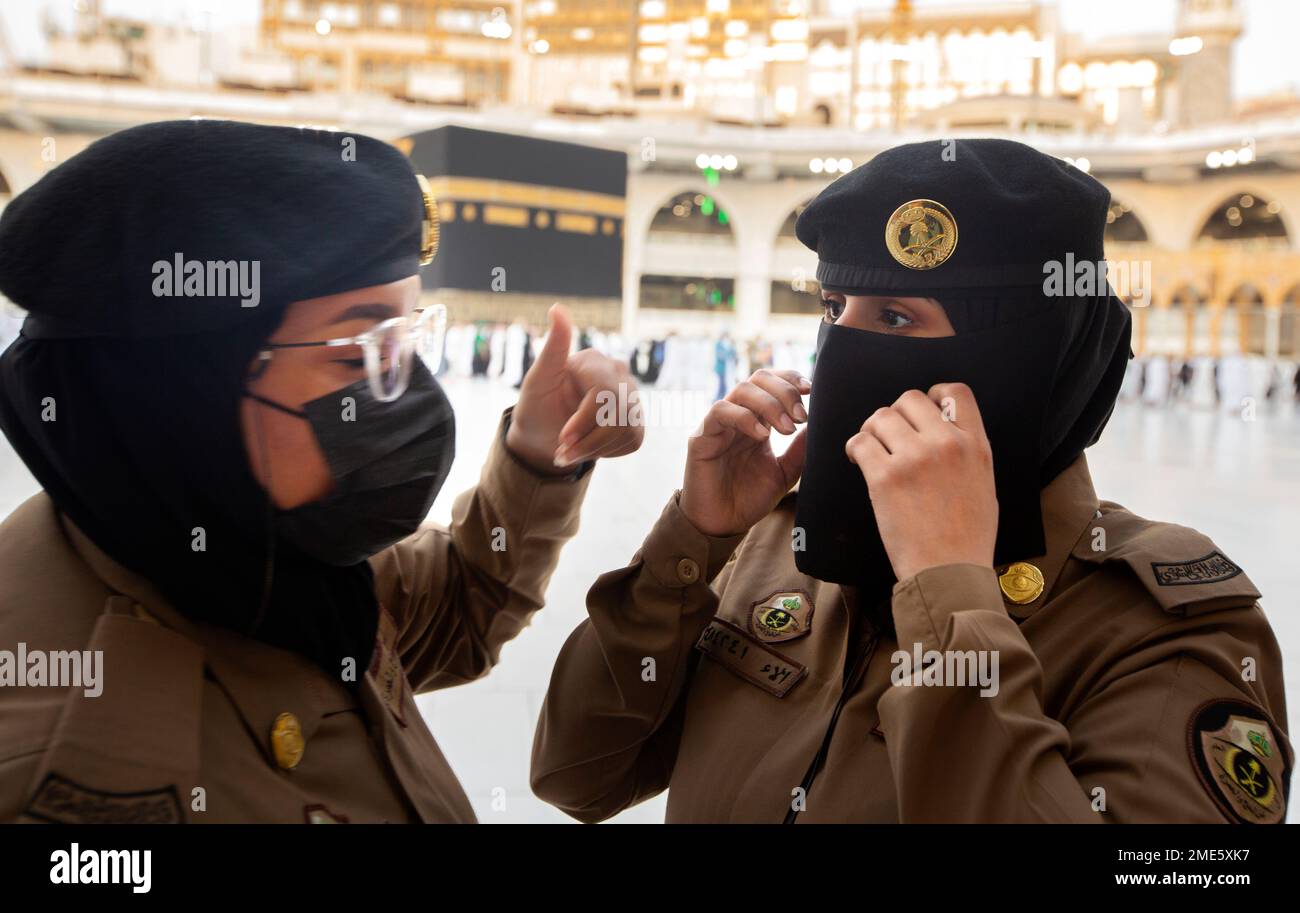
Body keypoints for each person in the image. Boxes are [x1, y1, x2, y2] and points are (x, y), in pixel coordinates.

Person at [530, 139, 1291, 823]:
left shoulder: (1170, 632)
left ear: (1032, 359)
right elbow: (578, 773)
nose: (844, 352)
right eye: (834, 309)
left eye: (895, 318)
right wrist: (693, 546)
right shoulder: (778, 549)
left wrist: (947, 588)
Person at [0, 120, 643, 823]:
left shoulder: (256, 554)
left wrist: (539, 453)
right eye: (357, 351)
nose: (408, 393)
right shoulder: (73, 780)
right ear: (186, 388)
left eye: (405, 339)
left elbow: (463, 603)